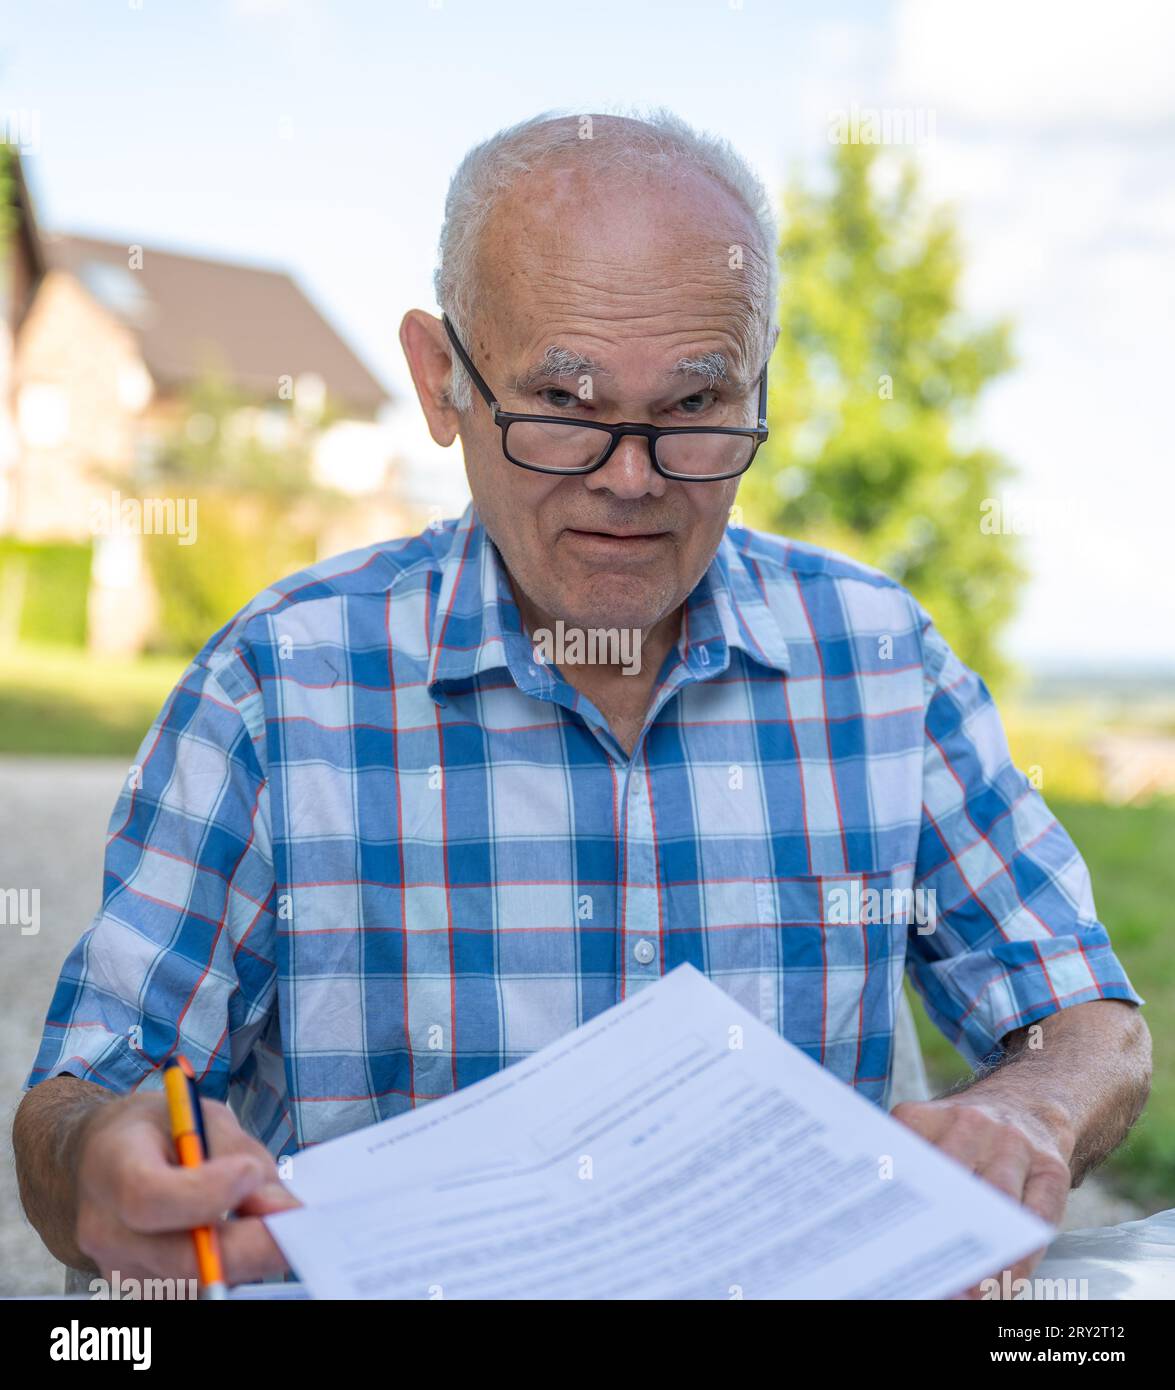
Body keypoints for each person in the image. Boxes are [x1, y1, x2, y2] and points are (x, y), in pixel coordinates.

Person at [14, 111, 1150, 1293]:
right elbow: (86, 1090)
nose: (628, 479)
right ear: (440, 379)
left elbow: (1083, 1013)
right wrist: (100, 1155)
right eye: (563, 401)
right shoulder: (277, 686)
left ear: (759, 380)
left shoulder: (878, 659)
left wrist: (1032, 1107)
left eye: (693, 410)